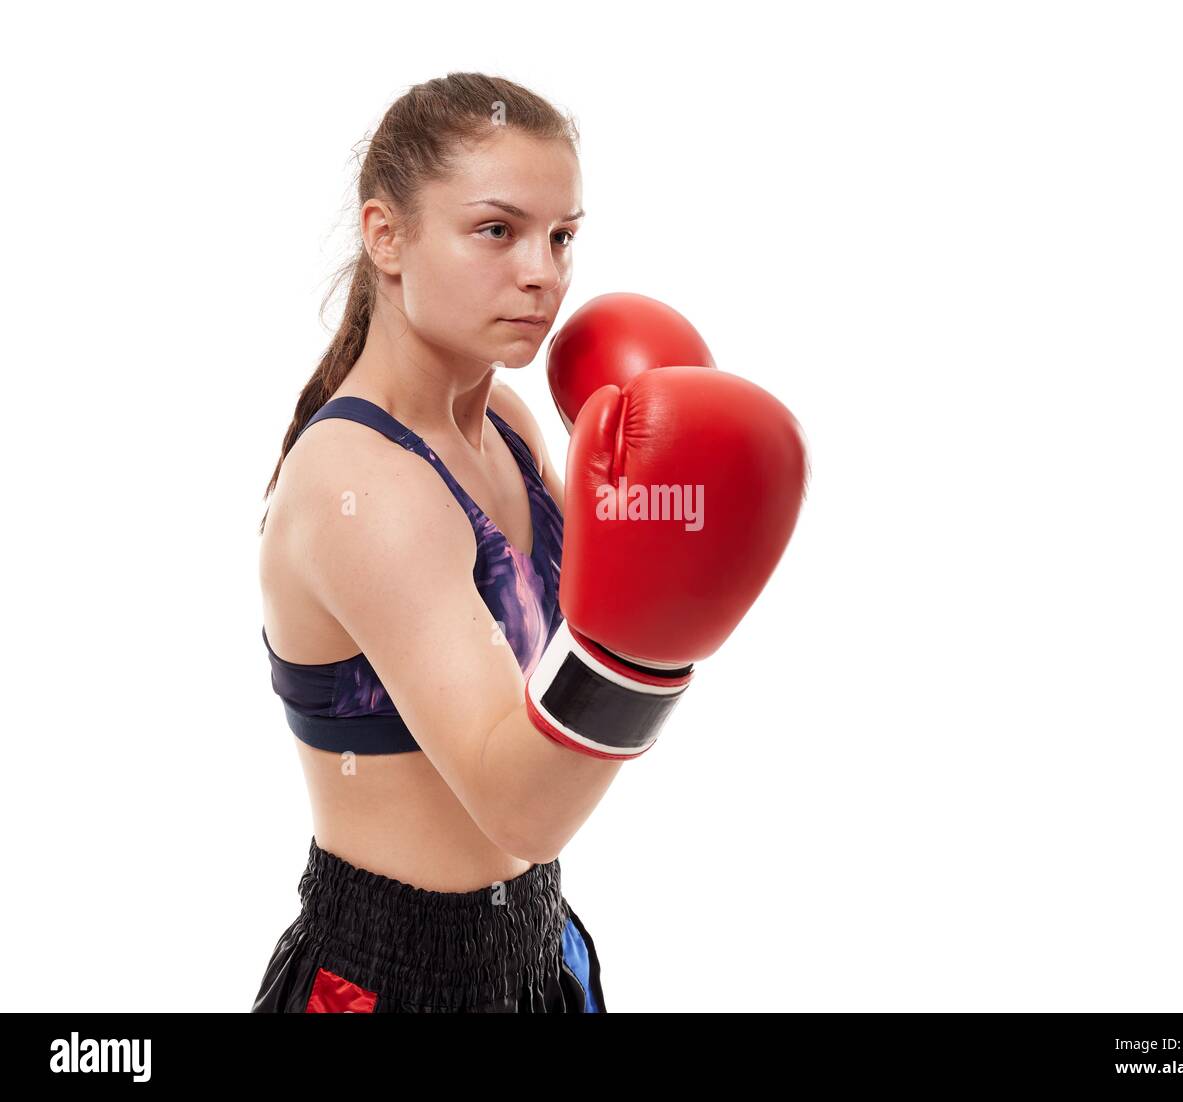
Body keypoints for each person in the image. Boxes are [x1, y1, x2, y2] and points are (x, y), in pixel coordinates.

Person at [252, 73, 808, 1014]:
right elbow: (522, 805)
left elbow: (562, 678)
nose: (542, 272)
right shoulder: (360, 482)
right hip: (384, 987)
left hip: (539, 951)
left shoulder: (508, 422)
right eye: (497, 230)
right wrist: (645, 648)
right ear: (386, 237)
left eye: (563, 236)